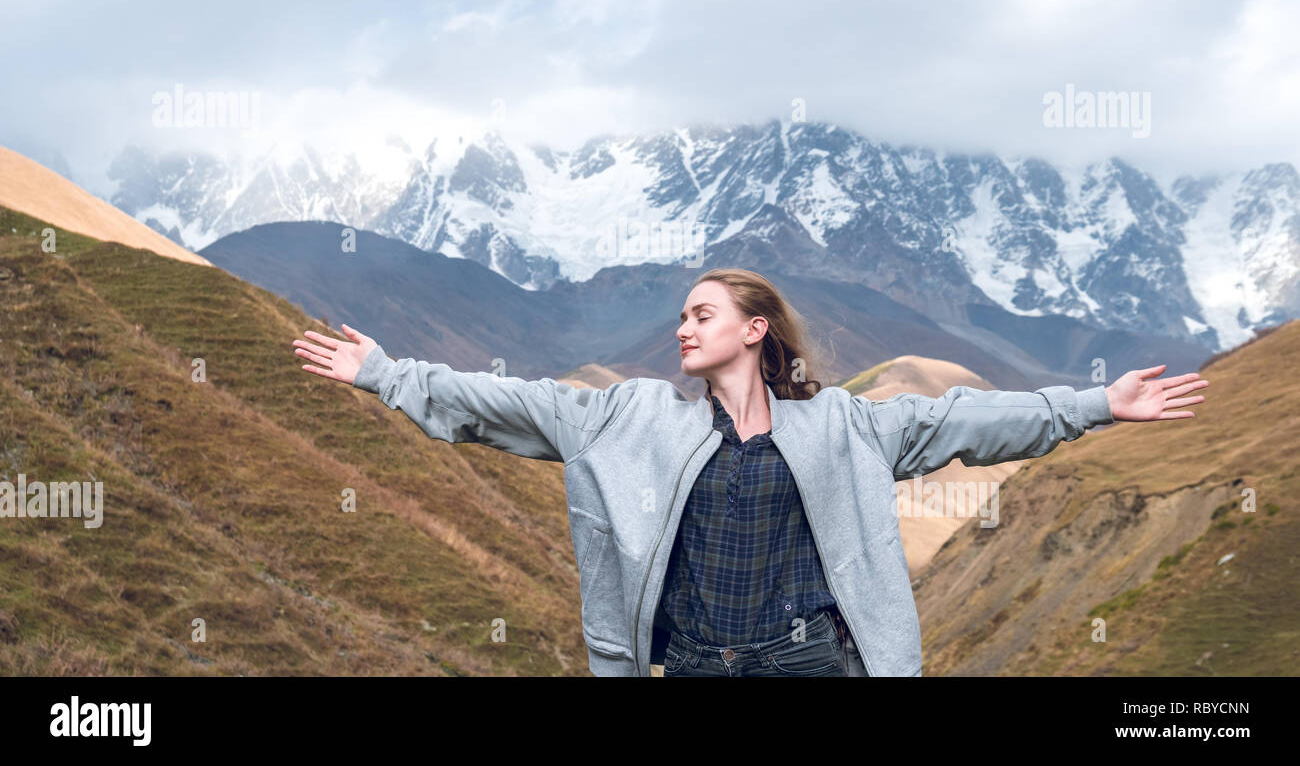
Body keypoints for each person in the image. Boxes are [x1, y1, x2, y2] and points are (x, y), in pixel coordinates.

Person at [291, 267, 1208, 676]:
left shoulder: (840, 425)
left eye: (702, 313)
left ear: (754, 329)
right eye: (681, 317)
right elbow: (504, 405)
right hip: (694, 664)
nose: (683, 328)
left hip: (808, 660)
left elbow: (965, 421)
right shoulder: (627, 416)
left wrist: (1094, 405)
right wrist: (384, 373)